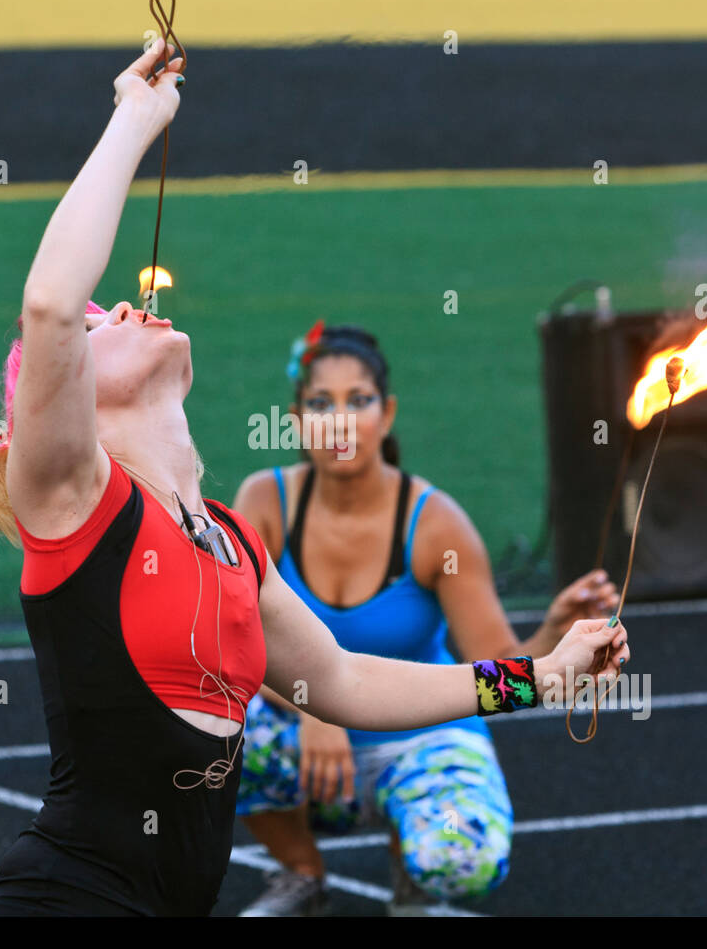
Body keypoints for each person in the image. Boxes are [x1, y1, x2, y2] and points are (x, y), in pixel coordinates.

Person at [0, 40, 630, 917]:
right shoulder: (79, 505)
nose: (118, 305)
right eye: (100, 322)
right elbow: (48, 304)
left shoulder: (231, 539)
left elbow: (343, 683)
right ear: (72, 393)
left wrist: (539, 677)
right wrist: (135, 118)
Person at [232, 324, 619, 916]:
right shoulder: (263, 502)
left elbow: (495, 666)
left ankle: (413, 873)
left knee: (463, 860)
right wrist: (313, 708)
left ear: (386, 415)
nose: (339, 422)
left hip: (419, 739)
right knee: (211, 721)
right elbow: (231, 645)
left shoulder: (437, 524)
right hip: (305, 747)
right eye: (319, 404)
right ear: (296, 418)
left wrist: (554, 639)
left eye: (358, 401)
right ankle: (301, 874)